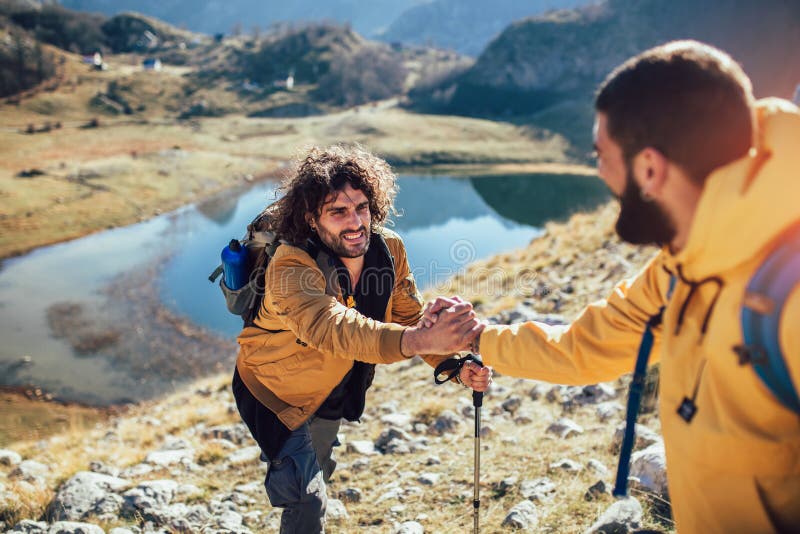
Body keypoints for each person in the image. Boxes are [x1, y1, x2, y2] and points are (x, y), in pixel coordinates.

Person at [425, 41, 800, 533]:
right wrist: (476, 337)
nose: (599, 171)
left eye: (601, 155)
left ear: (650, 169)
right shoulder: (684, 266)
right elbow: (582, 347)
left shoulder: (788, 294)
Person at [232, 145, 491, 533]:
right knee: (306, 498)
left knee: (318, 471)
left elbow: (408, 316)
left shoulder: (389, 249)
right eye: (338, 211)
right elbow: (331, 327)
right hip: (274, 392)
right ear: (311, 218)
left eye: (362, 207)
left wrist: (453, 364)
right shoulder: (290, 264)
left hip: (332, 389)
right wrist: (420, 341)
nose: (355, 222)